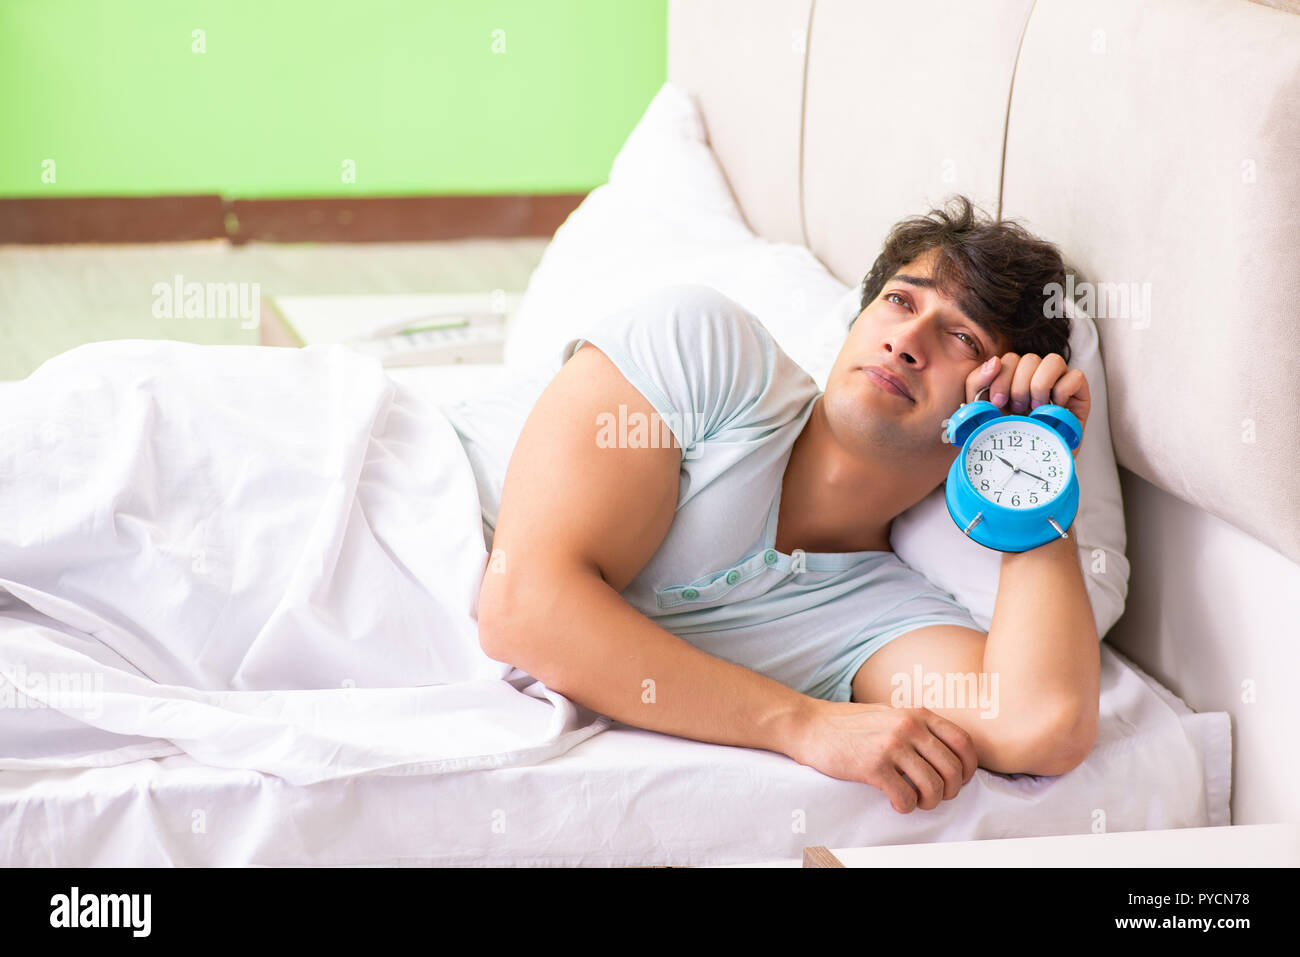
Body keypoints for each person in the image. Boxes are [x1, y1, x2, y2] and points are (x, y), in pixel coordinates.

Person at [455, 195, 1100, 815]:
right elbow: (521, 608)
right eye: (899, 300)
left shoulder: (882, 615)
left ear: (989, 410)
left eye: (963, 339)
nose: (907, 340)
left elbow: (1041, 724)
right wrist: (803, 723)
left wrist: (1035, 457)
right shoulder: (710, 352)